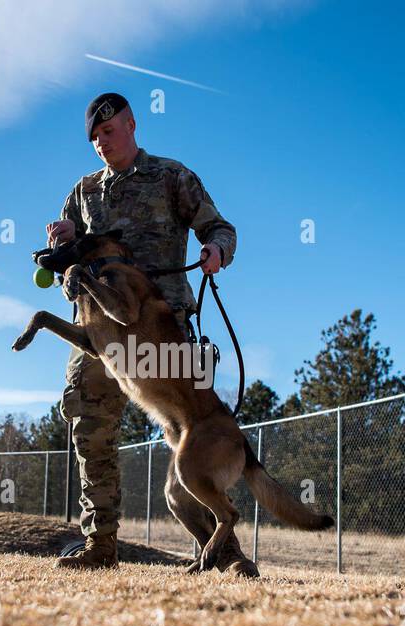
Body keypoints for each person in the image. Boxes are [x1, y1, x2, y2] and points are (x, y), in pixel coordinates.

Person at [47, 91, 237, 569]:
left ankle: (228, 556)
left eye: (108, 132)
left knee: (189, 437)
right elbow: (66, 260)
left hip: (161, 334)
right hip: (99, 335)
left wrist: (216, 250)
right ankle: (100, 545)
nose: (101, 143)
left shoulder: (171, 176)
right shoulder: (84, 191)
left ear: (132, 124)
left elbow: (219, 228)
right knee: (90, 429)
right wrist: (62, 240)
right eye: (94, 138)